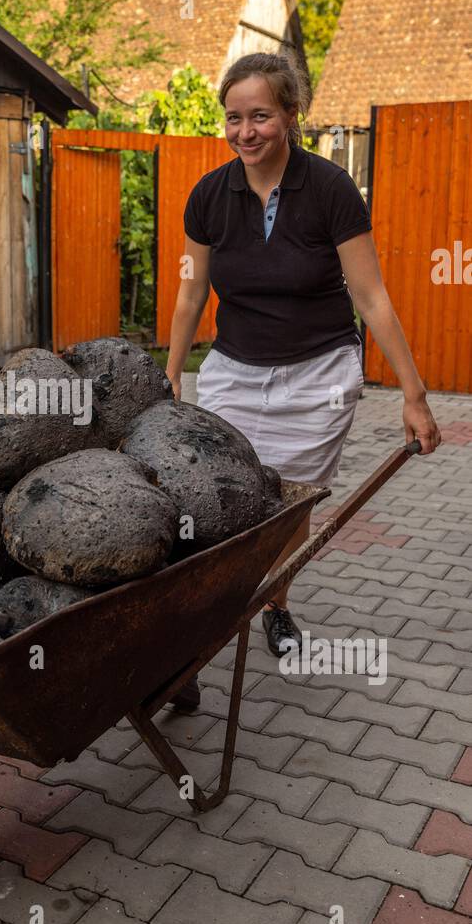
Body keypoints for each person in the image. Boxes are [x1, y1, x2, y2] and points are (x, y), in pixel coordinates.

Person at [166, 51, 440, 705]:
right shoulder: (209, 195)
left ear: (290, 115)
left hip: (317, 378)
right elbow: (189, 293)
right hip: (232, 373)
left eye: (259, 115)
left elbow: (369, 297)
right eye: (233, 118)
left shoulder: (329, 191)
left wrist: (412, 393)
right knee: (218, 508)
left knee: (288, 512)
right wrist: (169, 375)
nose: (245, 131)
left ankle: (275, 608)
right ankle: (191, 637)